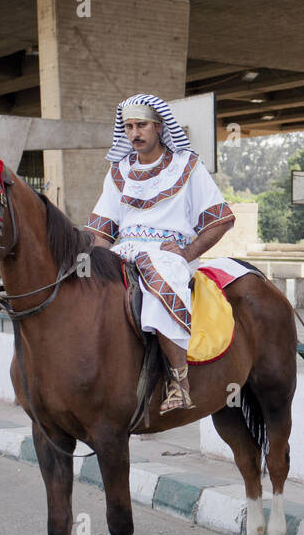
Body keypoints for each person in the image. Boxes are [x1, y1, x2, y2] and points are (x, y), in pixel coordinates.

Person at [87, 93, 235, 413]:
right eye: (128, 127)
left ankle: (179, 383)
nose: (134, 133)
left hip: (168, 255)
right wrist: (97, 262)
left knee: (155, 295)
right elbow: (101, 230)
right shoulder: (118, 171)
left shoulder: (187, 165)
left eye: (141, 125)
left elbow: (221, 219)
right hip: (123, 250)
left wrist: (187, 251)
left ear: (158, 127)